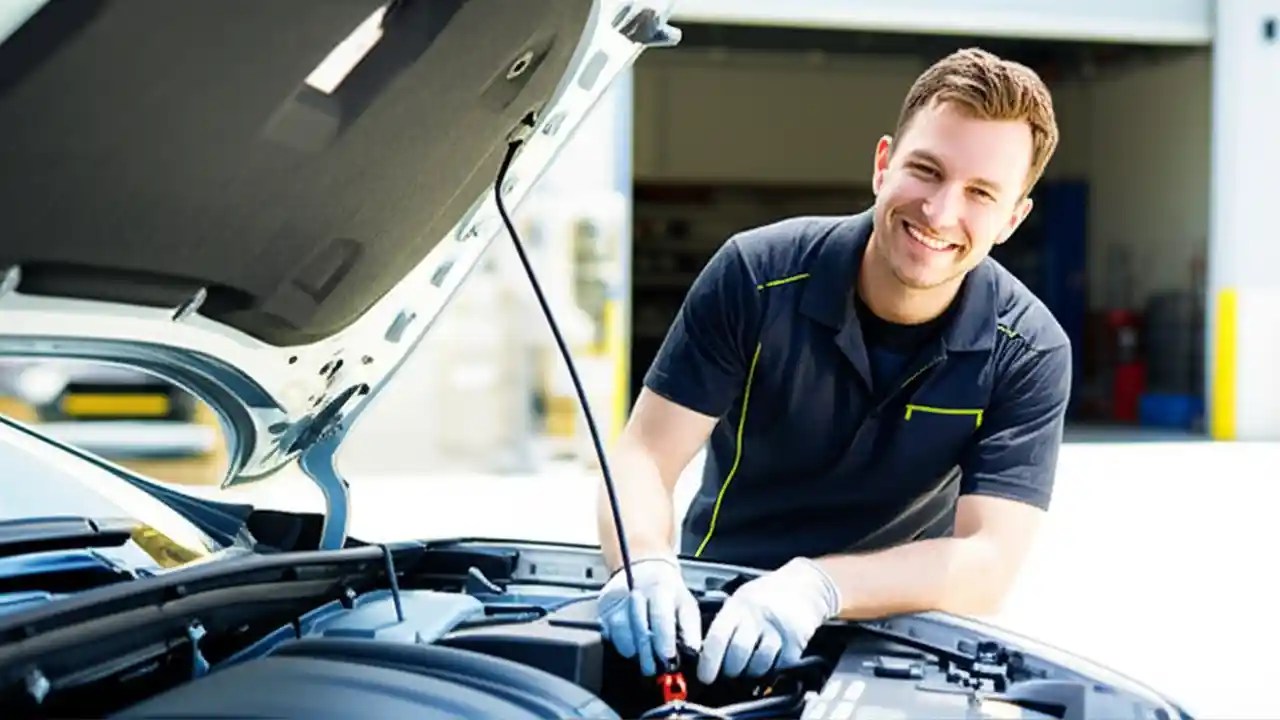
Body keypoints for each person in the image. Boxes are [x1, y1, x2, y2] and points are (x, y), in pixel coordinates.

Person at [595, 47, 1072, 686]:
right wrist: (643, 564)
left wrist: (818, 585)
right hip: (717, 610)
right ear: (882, 165)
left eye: (980, 193)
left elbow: (988, 561)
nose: (939, 212)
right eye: (926, 170)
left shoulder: (1029, 349)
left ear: (1013, 218)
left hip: (898, 628)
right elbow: (645, 455)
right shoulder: (755, 276)